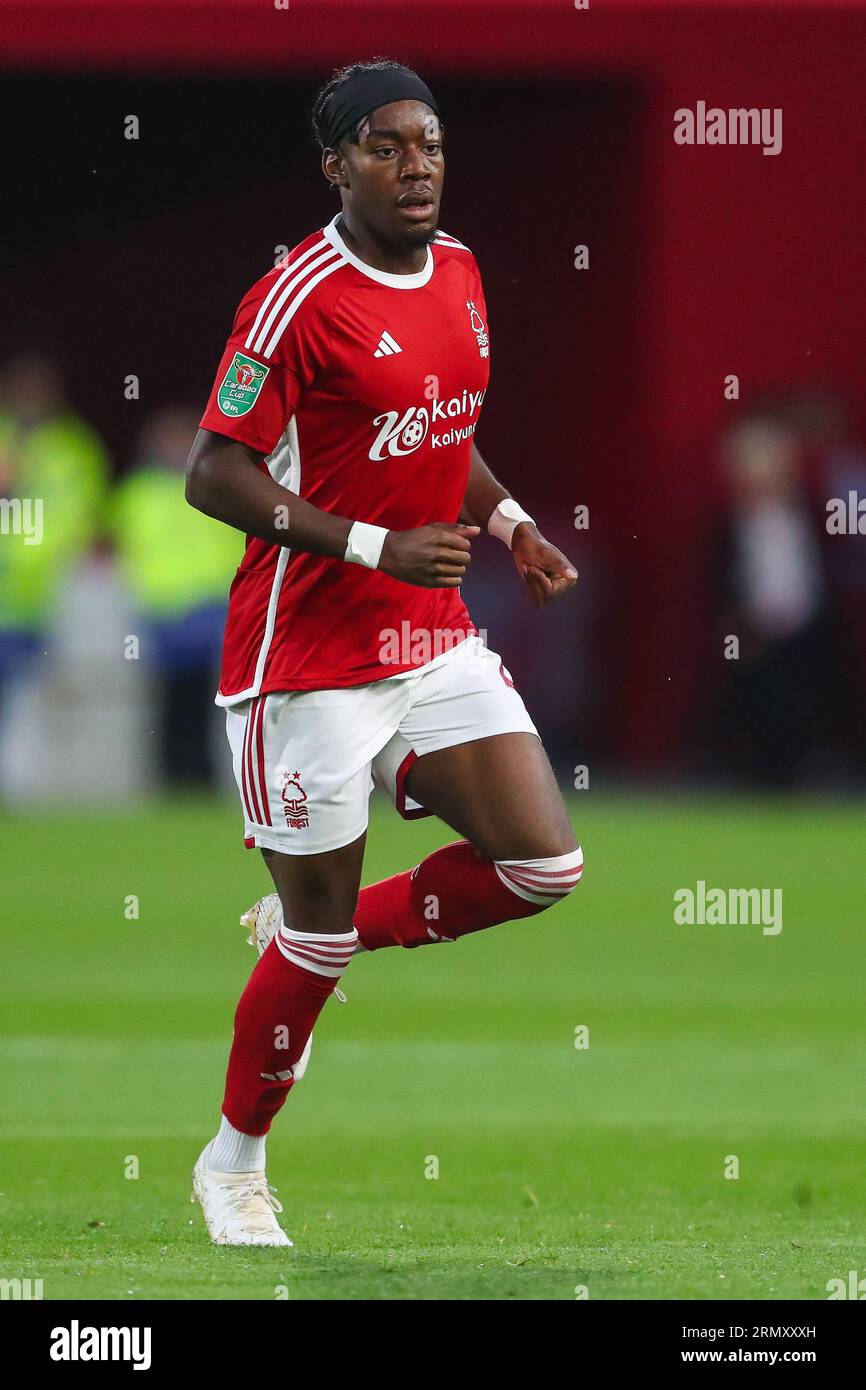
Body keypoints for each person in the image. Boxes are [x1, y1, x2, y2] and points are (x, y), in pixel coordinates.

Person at [185, 59, 583, 1247]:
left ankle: (333, 922)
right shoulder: (295, 297)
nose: (414, 166)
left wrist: (510, 526)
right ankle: (233, 1165)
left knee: (541, 866)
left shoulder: (456, 270)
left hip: (425, 638)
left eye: (430, 144)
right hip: (300, 654)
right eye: (385, 147)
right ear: (335, 166)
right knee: (307, 939)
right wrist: (369, 543)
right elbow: (211, 471)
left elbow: (442, 427)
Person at [112, 406, 240, 787]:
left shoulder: (211, 482)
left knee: (208, 700)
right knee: (168, 700)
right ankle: (171, 777)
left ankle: (199, 778)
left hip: (208, 606)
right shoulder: (138, 492)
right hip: (161, 609)